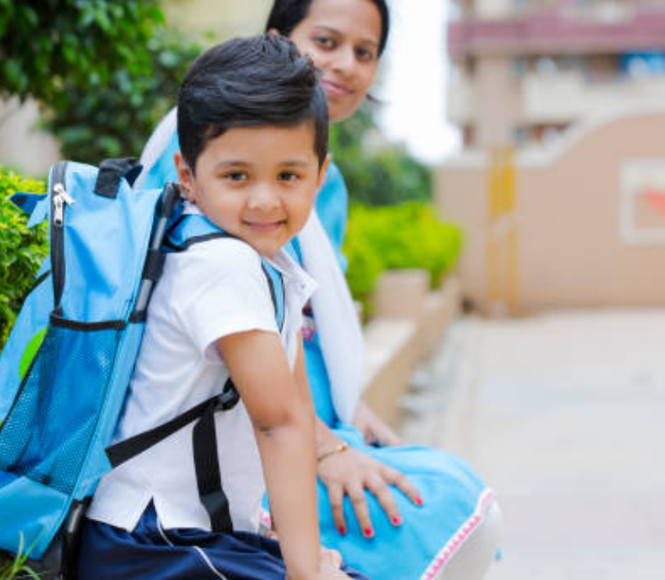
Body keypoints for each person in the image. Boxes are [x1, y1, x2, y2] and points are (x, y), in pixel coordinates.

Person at [137, 1, 501, 579]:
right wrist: (325, 451)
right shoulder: (200, 172)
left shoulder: (327, 191)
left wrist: (348, 410)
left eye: (365, 52)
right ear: (280, 40)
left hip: (310, 426)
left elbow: (301, 322)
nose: (345, 66)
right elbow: (241, 370)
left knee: (446, 492)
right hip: (225, 459)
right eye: (326, 41)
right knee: (442, 512)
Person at [80, 34, 366, 580]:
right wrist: (304, 572)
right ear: (186, 175)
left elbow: (296, 414)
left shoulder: (266, 262)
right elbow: (279, 424)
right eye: (237, 176)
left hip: (168, 533)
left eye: (288, 176)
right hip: (153, 541)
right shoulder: (223, 266)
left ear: (319, 176)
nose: (264, 199)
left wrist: (290, 549)